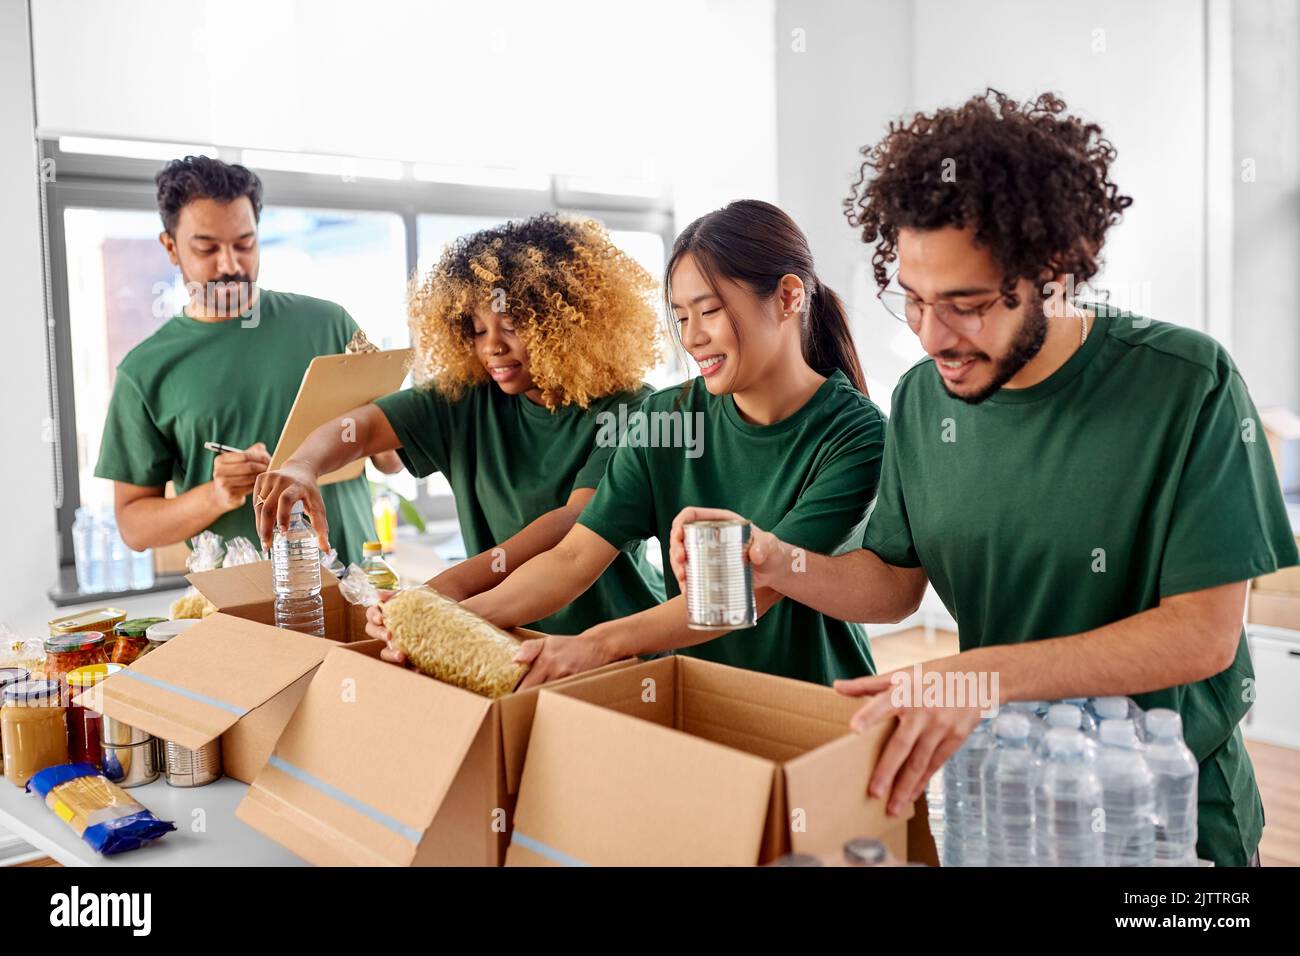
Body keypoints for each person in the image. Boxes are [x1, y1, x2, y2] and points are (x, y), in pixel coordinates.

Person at [668, 91, 1294, 866]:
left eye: (964, 305)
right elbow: (892, 584)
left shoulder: (1185, 383)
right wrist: (776, 559)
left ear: (1055, 271)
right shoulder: (923, 400)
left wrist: (974, 677)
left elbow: (1203, 633)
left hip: (1167, 814)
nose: (933, 337)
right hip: (1001, 799)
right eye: (914, 301)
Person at [454, 200, 886, 688]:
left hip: (815, 698)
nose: (693, 337)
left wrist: (598, 644)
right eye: (681, 318)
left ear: (788, 297)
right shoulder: (664, 418)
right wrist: (452, 615)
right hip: (696, 694)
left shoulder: (854, 432)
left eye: (709, 311)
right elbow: (574, 558)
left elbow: (748, 588)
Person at [254, 215, 665, 637]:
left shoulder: (631, 409)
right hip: (505, 636)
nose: (492, 347)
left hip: (614, 640)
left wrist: (442, 593)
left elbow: (576, 521)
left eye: (511, 327)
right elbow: (360, 427)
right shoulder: (467, 398)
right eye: (477, 329)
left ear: (565, 324)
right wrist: (303, 465)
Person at [95, 156, 397, 566]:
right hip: (237, 610)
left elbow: (392, 460)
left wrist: (378, 424)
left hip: (355, 591)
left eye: (244, 244)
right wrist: (216, 495)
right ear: (170, 247)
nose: (230, 266)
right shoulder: (145, 372)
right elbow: (134, 526)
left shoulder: (330, 323)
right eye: (206, 248)